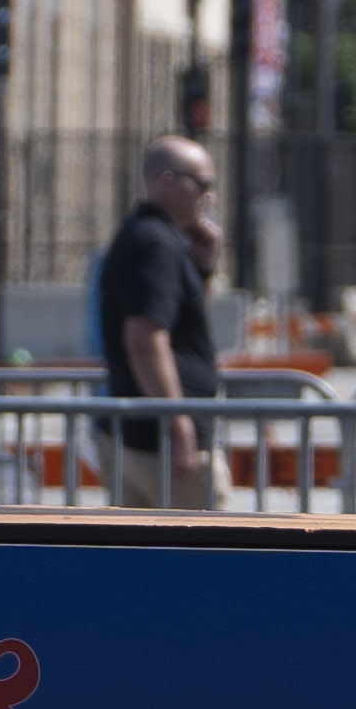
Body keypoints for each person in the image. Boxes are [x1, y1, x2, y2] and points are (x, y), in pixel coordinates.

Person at [96, 137, 226, 512]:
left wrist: (204, 268)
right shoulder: (155, 244)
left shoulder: (147, 236)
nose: (208, 196)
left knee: (139, 562)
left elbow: (186, 325)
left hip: (141, 437)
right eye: (202, 184)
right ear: (169, 181)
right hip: (161, 446)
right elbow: (146, 338)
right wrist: (178, 424)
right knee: (210, 557)